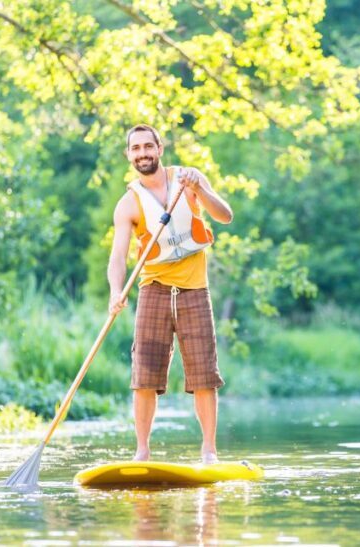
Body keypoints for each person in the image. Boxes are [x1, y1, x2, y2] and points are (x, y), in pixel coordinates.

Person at [107, 124, 233, 464]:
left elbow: (225, 216)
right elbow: (117, 256)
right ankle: (142, 451)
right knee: (144, 376)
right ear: (128, 155)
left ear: (160, 149)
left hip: (194, 289)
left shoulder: (188, 180)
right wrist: (115, 291)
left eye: (148, 146)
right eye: (136, 148)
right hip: (154, 290)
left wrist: (200, 188)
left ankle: (209, 451)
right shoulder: (128, 204)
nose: (143, 153)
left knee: (204, 376)